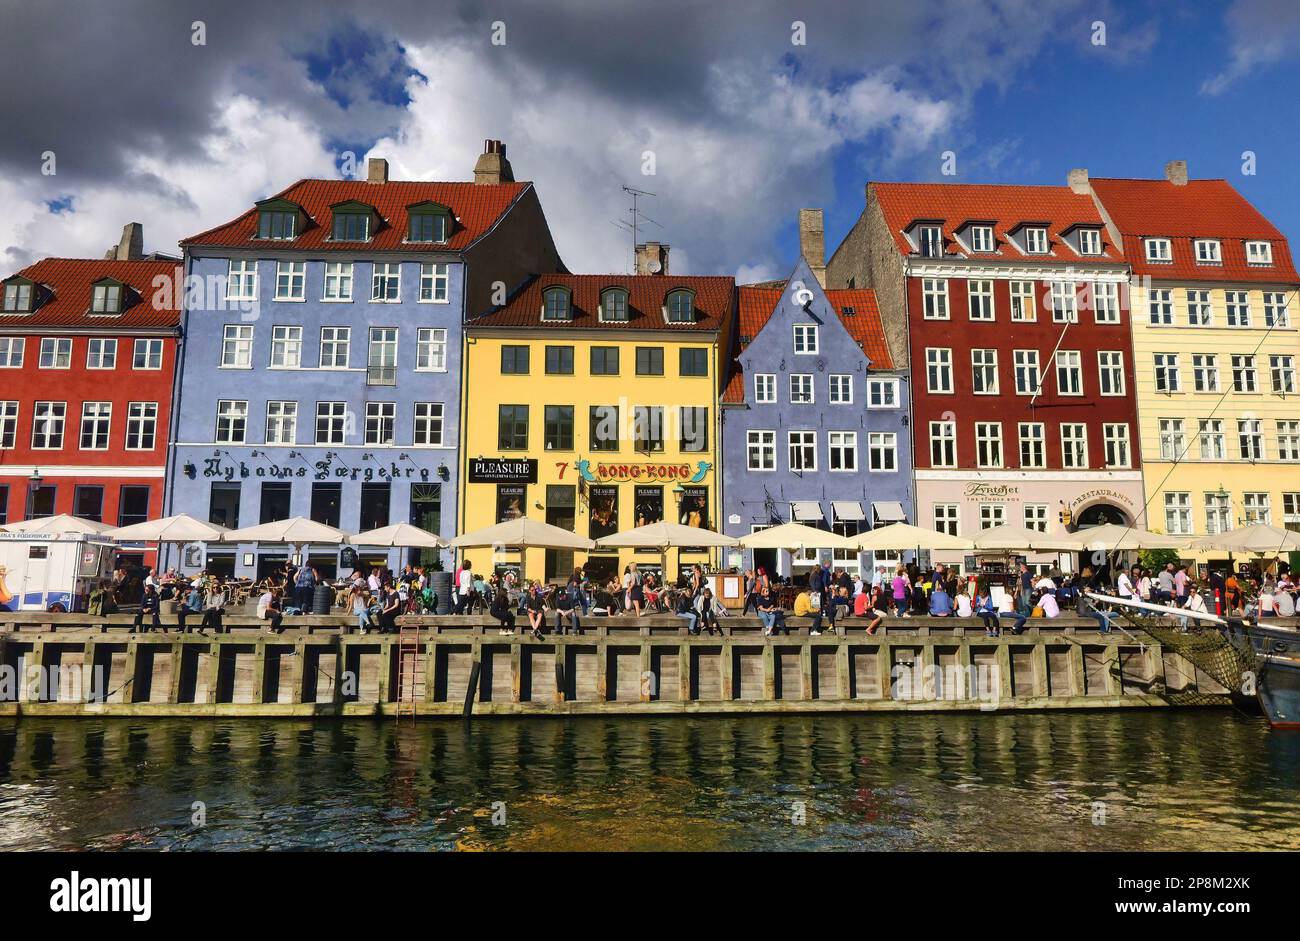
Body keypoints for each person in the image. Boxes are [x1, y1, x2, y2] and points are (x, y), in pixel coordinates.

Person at [809, 559, 834, 636]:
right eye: (820, 569)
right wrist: (814, 590)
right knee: (817, 606)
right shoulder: (814, 575)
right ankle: (815, 626)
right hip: (816, 593)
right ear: (817, 569)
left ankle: (821, 616)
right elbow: (812, 583)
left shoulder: (817, 575)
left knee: (821, 605)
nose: (821, 570)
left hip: (819, 592)